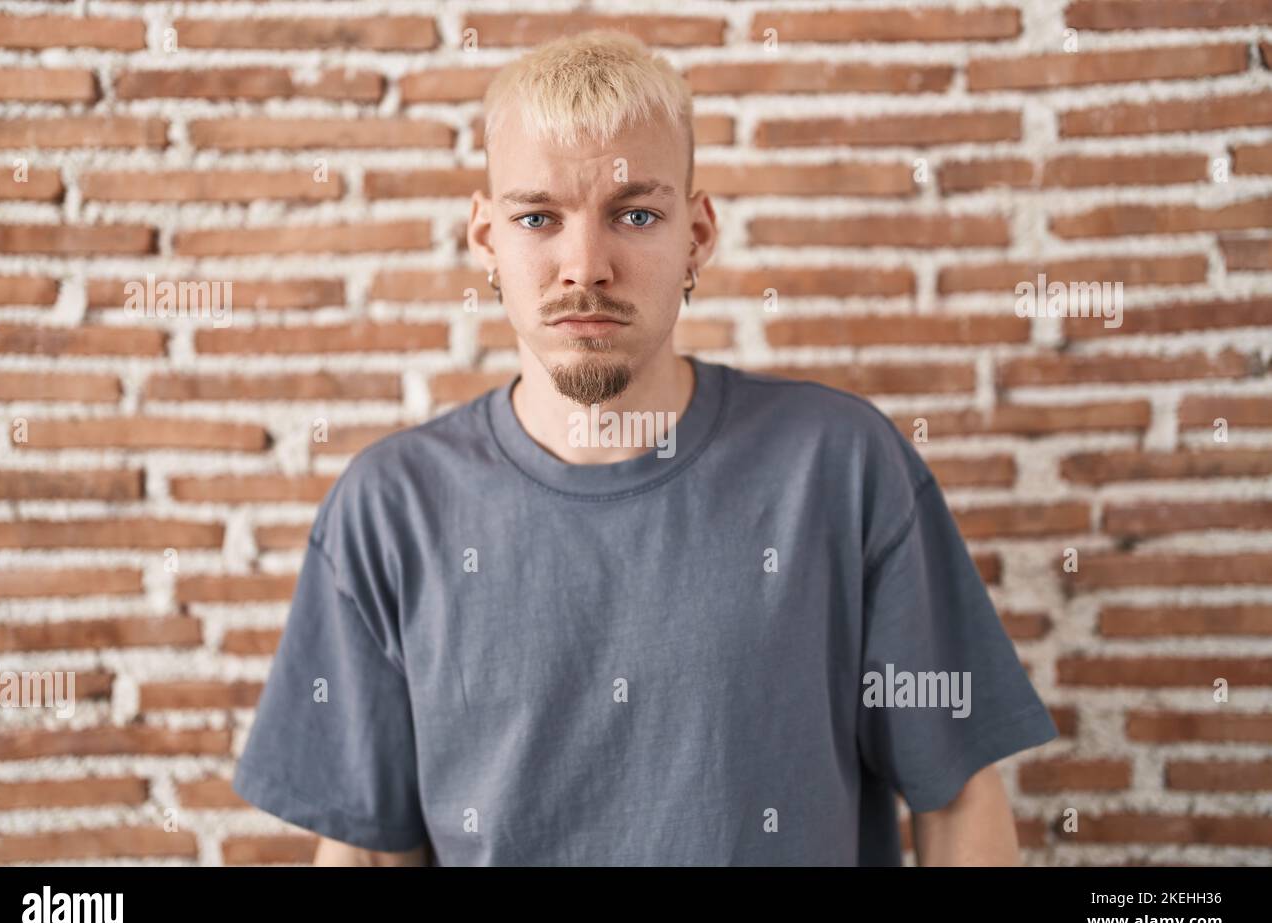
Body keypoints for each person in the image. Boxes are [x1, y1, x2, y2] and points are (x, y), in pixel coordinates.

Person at [231, 29, 1058, 866]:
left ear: (695, 234)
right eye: (537, 217)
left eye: (635, 215)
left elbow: (959, 803)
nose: (585, 267)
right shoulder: (389, 509)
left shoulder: (841, 468)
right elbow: (367, 852)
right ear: (486, 239)